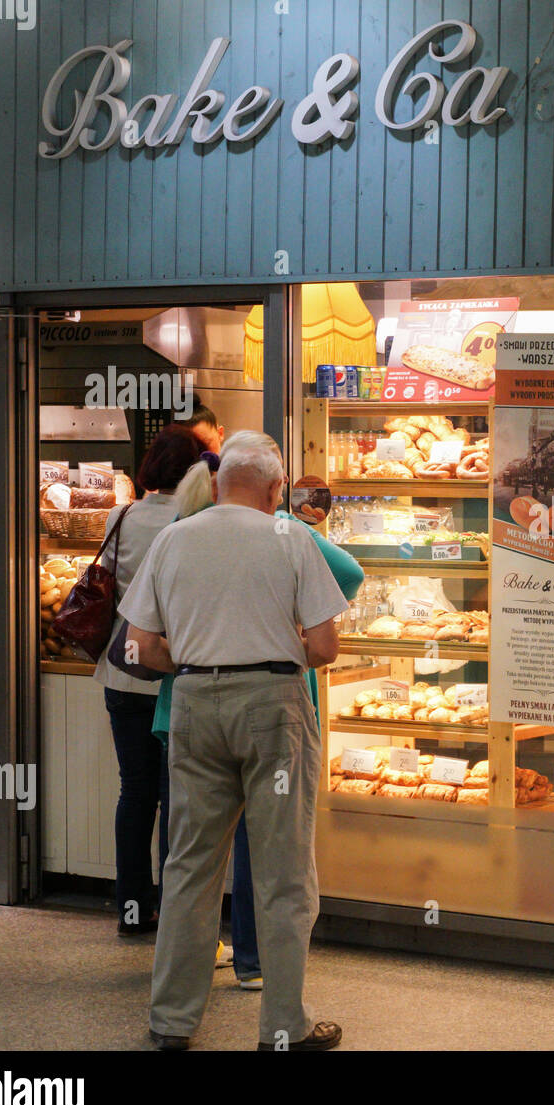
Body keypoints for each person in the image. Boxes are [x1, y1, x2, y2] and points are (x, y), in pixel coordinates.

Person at [121, 433, 349, 1051]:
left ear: (218, 483)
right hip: (273, 707)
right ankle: (283, 1026)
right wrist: (271, 650)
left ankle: (171, 1023)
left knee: (189, 867)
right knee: (282, 874)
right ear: (276, 489)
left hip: (194, 705)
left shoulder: (174, 537)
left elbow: (138, 646)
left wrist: (197, 660)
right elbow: (326, 648)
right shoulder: (292, 538)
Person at [96, 426, 205, 937]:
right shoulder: (196, 521)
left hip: (122, 670)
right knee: (175, 795)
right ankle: (174, 912)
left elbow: (114, 578)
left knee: (134, 791)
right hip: (173, 673)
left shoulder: (122, 514)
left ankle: (132, 909)